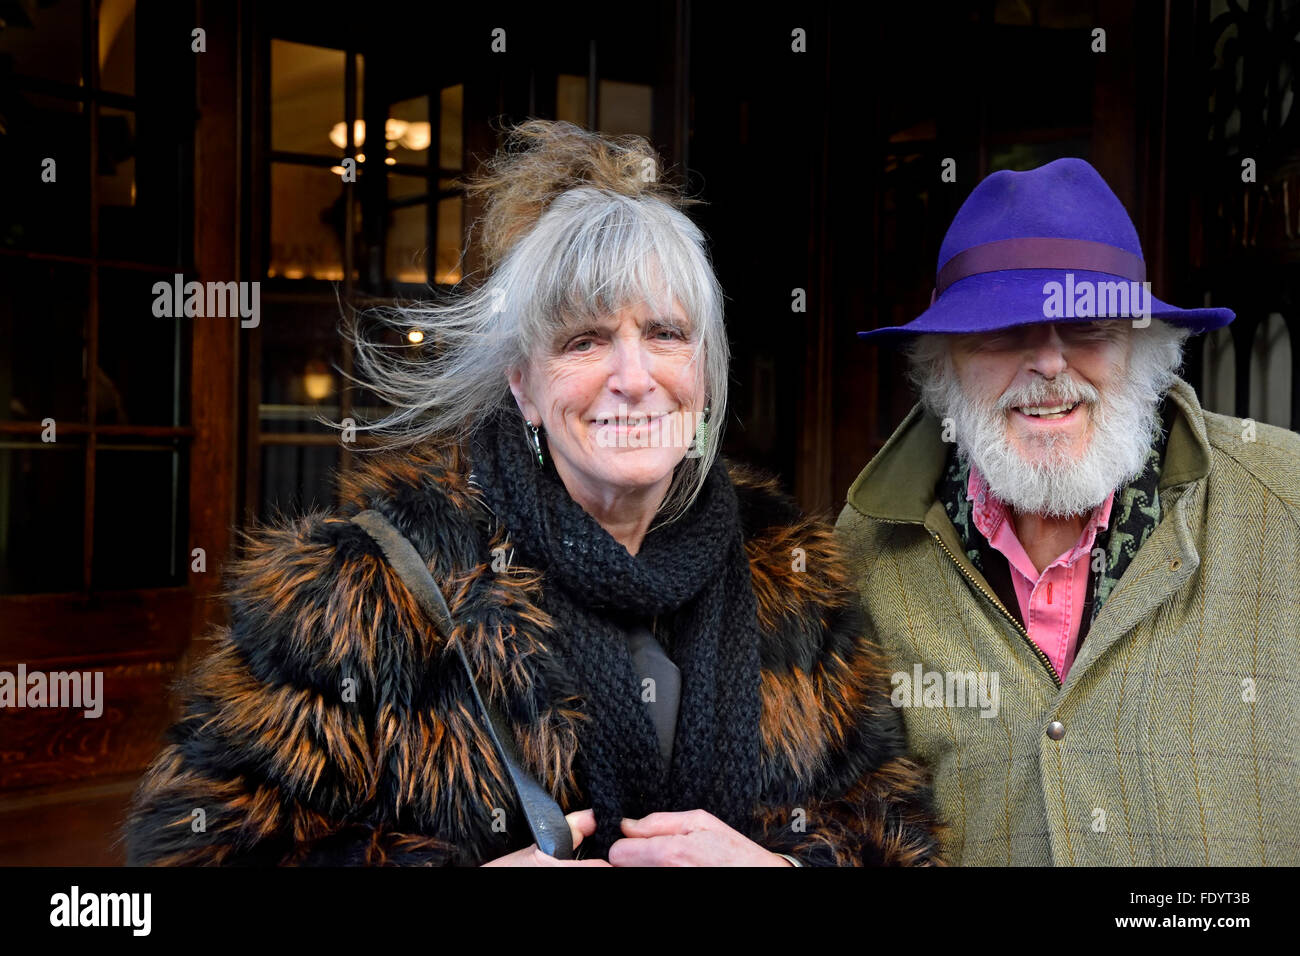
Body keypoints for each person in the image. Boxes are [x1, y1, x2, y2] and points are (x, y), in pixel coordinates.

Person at [124, 120, 941, 867]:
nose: (633, 378)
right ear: (523, 385)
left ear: (704, 369)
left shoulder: (791, 577)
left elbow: (894, 831)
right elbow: (190, 850)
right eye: (585, 341)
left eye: (665, 334)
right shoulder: (358, 589)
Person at [838, 157, 1300, 865]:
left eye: (1087, 326)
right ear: (944, 360)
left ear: (1144, 345)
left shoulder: (1287, 502)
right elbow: (849, 828)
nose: (1049, 364)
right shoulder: (865, 551)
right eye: (1003, 329)